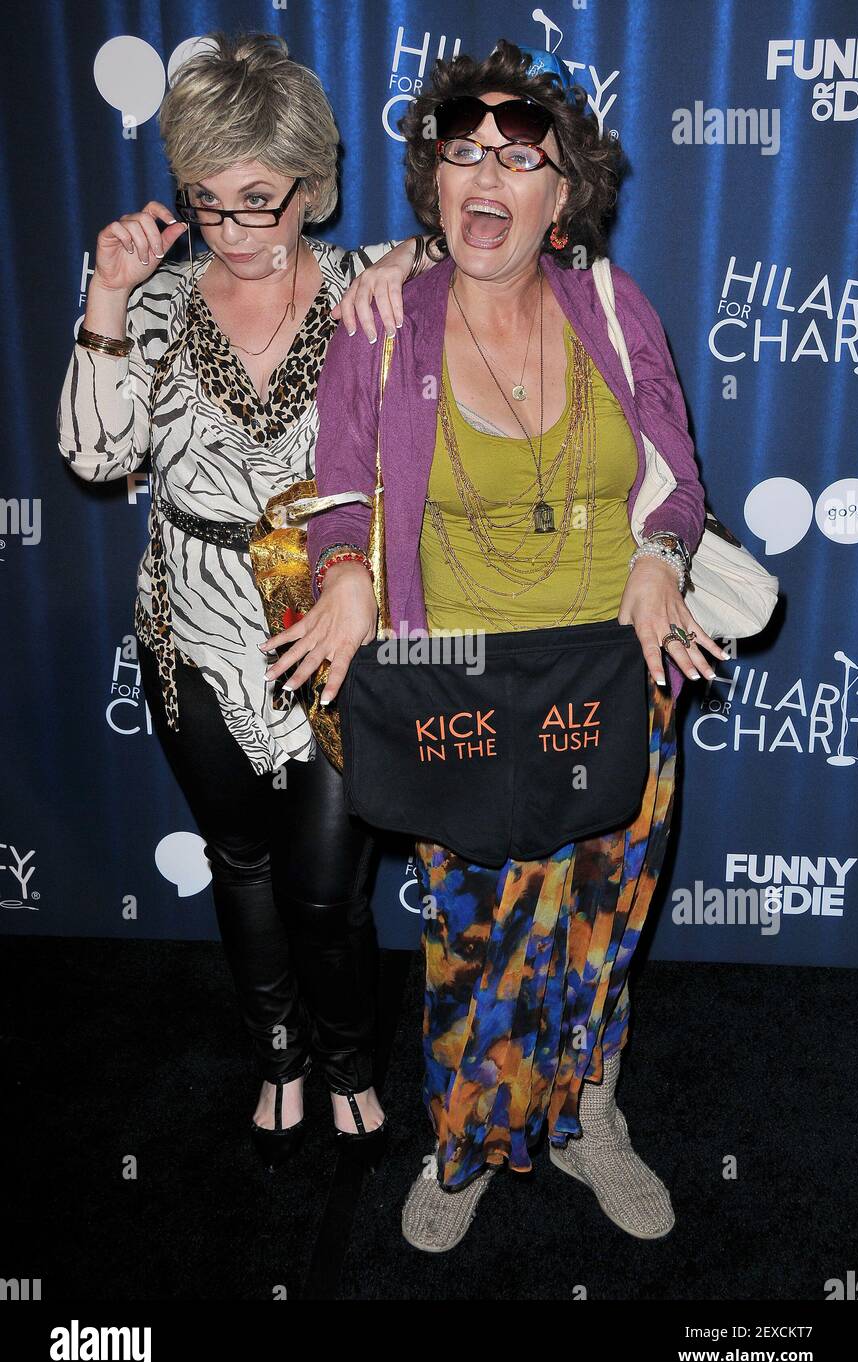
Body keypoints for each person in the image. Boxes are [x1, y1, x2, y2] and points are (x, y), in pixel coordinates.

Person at [264, 38, 727, 1247]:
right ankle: (464, 1136)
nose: (485, 178)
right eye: (460, 152)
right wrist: (351, 571)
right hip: (457, 684)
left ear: (560, 194)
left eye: (518, 159)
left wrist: (656, 558)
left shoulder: (614, 310)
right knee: (471, 936)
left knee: (598, 921)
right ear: (431, 179)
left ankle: (585, 1116)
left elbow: (675, 486)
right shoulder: (380, 324)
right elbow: (338, 490)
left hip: (614, 670)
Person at [56, 31, 438, 1171]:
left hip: (334, 610)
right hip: (192, 620)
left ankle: (348, 1056)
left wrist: (410, 260)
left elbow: (509, 252)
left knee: (328, 884)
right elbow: (92, 454)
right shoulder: (157, 299)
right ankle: (276, 1052)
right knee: (241, 859)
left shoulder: (376, 282)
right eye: (208, 204)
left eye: (260, 202)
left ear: (310, 187)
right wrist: (110, 296)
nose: (234, 230)